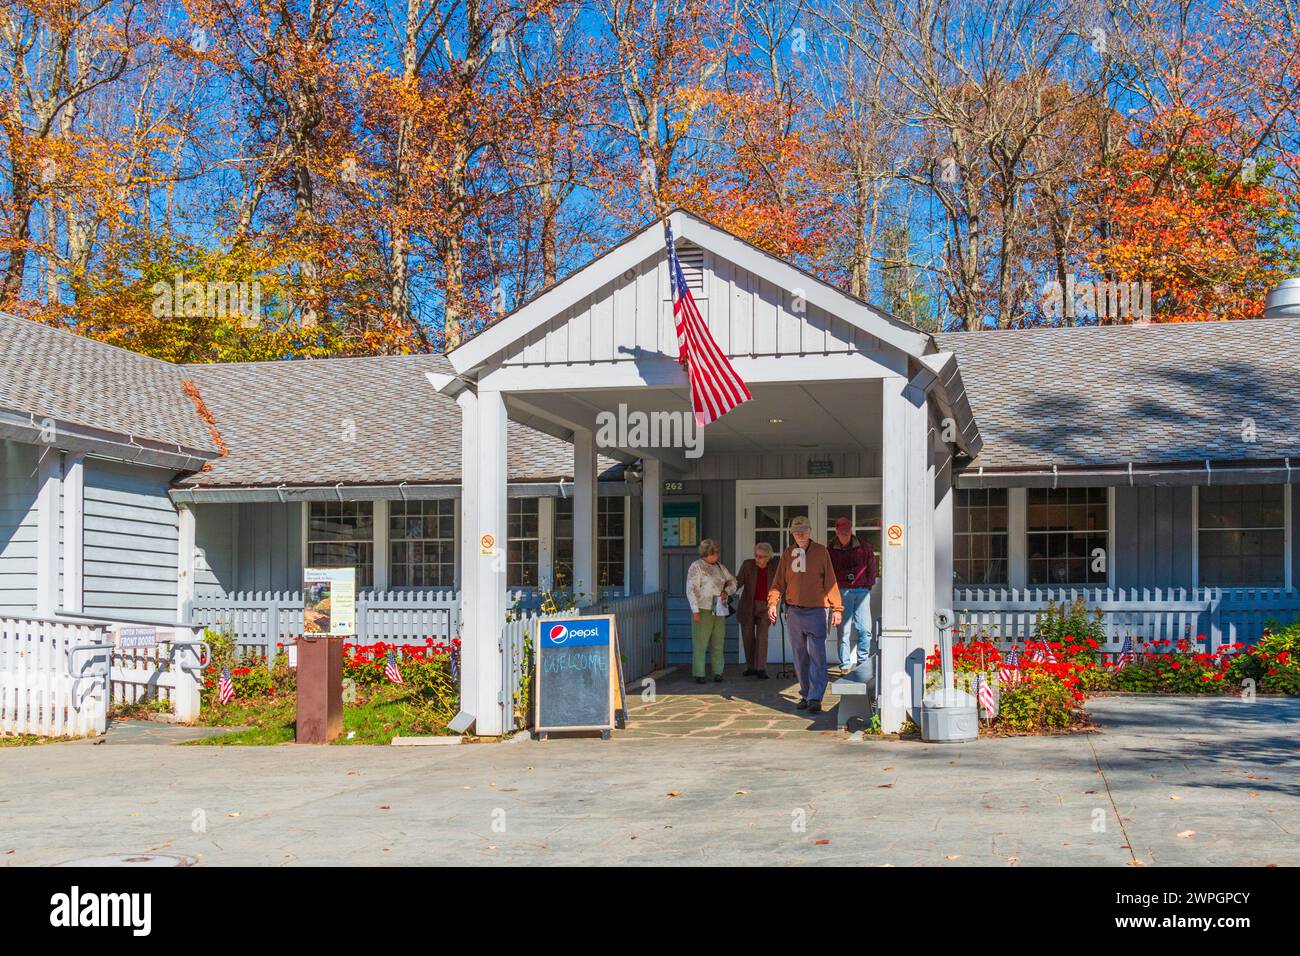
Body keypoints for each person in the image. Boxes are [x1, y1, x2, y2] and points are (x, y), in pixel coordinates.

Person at [767, 515, 843, 713]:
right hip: (794, 612)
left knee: (817, 654)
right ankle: (806, 693)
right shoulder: (788, 554)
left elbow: (831, 581)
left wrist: (837, 608)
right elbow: (778, 583)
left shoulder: (820, 552)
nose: (800, 534)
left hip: (818, 610)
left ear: (810, 532)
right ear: (792, 534)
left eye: (803, 530)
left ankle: (815, 697)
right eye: (796, 531)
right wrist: (773, 603)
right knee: (800, 657)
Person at [828, 516, 877, 673]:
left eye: (847, 532)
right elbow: (827, 571)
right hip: (841, 591)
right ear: (836, 531)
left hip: (861, 590)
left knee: (865, 629)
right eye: (842, 533)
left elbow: (872, 566)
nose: (845, 535)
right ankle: (845, 665)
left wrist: (868, 584)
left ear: (851, 530)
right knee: (844, 630)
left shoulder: (864, 547)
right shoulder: (830, 549)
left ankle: (862, 662)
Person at [686, 538, 737, 684]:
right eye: (715, 552)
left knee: (718, 641)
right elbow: (691, 589)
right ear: (707, 553)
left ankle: (718, 672)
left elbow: (733, 581)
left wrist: (726, 591)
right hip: (702, 608)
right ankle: (699, 673)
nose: (717, 555)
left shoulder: (720, 567)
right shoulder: (696, 567)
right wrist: (695, 610)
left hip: (719, 608)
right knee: (700, 642)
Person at [735, 542, 778, 679]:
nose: (758, 559)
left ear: (768, 557)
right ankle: (751, 667)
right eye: (756, 556)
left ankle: (760, 668)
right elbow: (738, 582)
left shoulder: (774, 568)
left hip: (766, 605)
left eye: (761, 556)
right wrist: (726, 590)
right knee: (747, 636)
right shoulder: (748, 565)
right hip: (748, 604)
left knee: (762, 637)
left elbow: (779, 586)